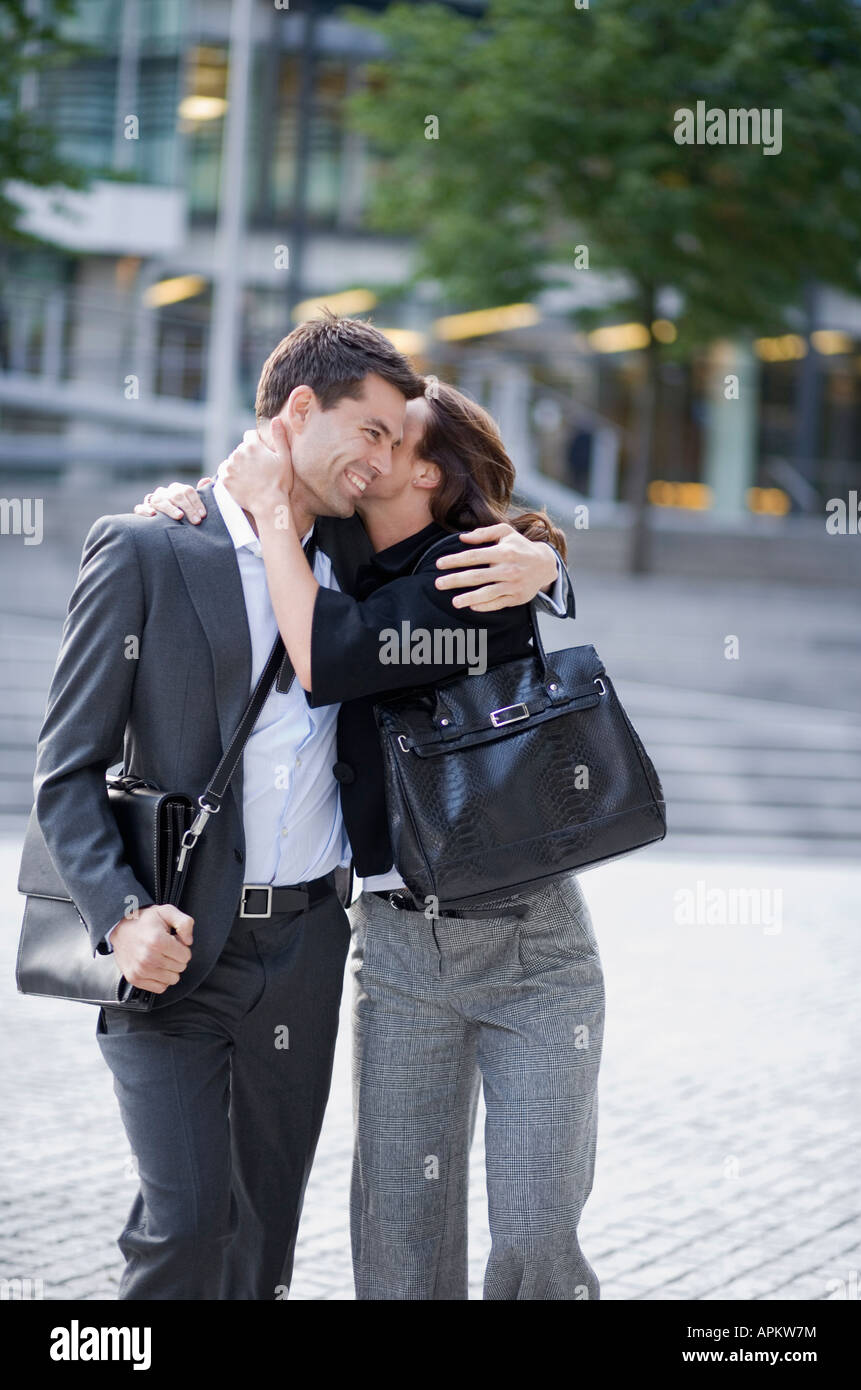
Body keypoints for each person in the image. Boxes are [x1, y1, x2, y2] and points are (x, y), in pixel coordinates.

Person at [33, 315, 565, 1301]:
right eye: (370, 433)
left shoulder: (359, 561)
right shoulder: (151, 548)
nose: (381, 462)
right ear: (300, 410)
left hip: (309, 954)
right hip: (177, 944)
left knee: (261, 1247)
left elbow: (476, 549)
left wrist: (546, 563)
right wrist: (118, 914)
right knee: (187, 1226)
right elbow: (66, 770)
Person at [150, 379, 604, 1301]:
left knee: (532, 1232)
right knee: (399, 1244)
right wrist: (189, 507)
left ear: (428, 471)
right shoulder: (347, 556)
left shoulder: (474, 571)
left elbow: (329, 656)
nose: (367, 450)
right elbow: (264, 512)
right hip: (400, 951)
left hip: (531, 945)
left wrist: (545, 565)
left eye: (389, 440)